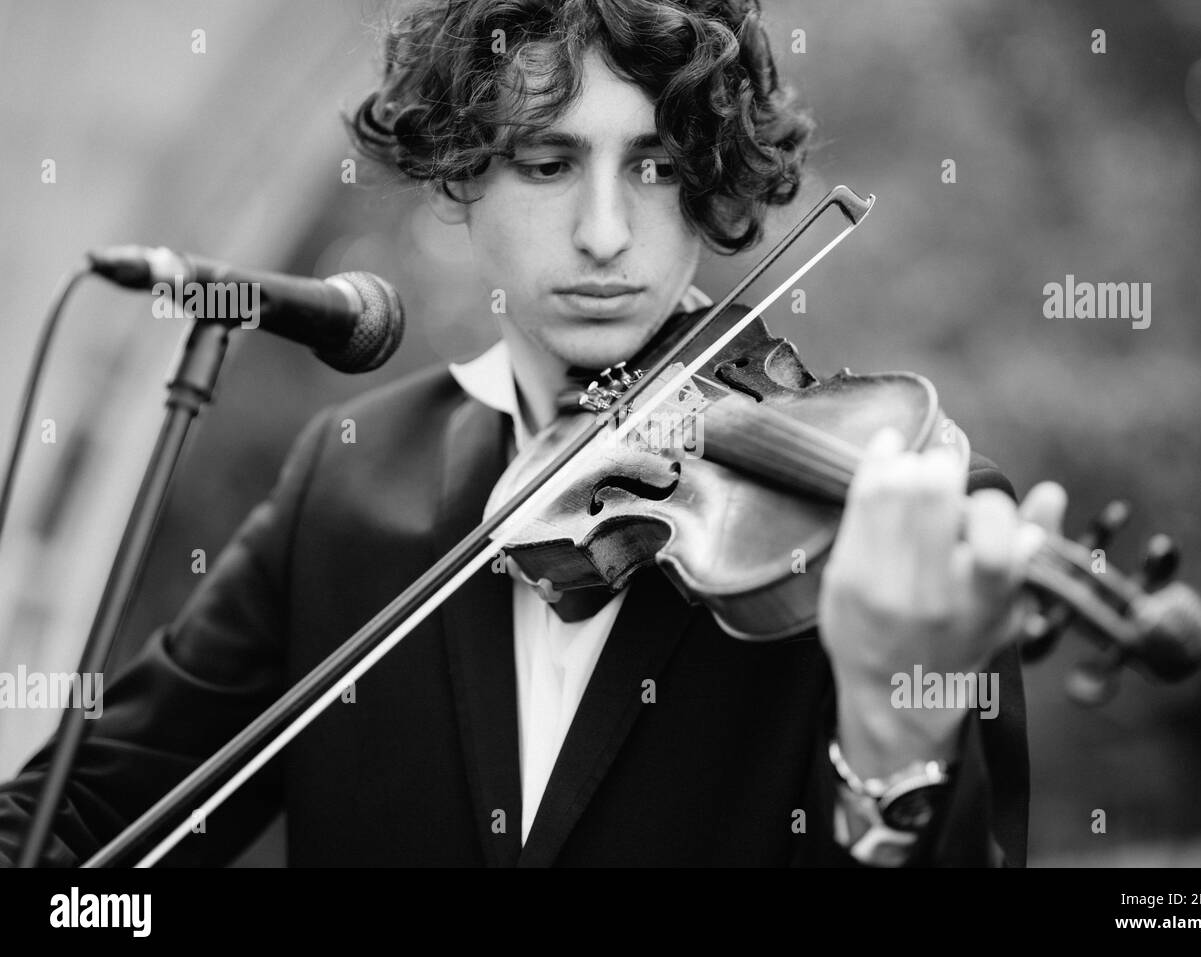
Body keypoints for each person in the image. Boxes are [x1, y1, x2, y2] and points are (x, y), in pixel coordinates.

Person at [0, 0, 1064, 867]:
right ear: (462, 172)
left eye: (655, 165)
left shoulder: (888, 527)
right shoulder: (347, 482)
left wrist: (891, 746)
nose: (604, 234)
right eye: (548, 164)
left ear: (711, 180)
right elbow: (75, 822)